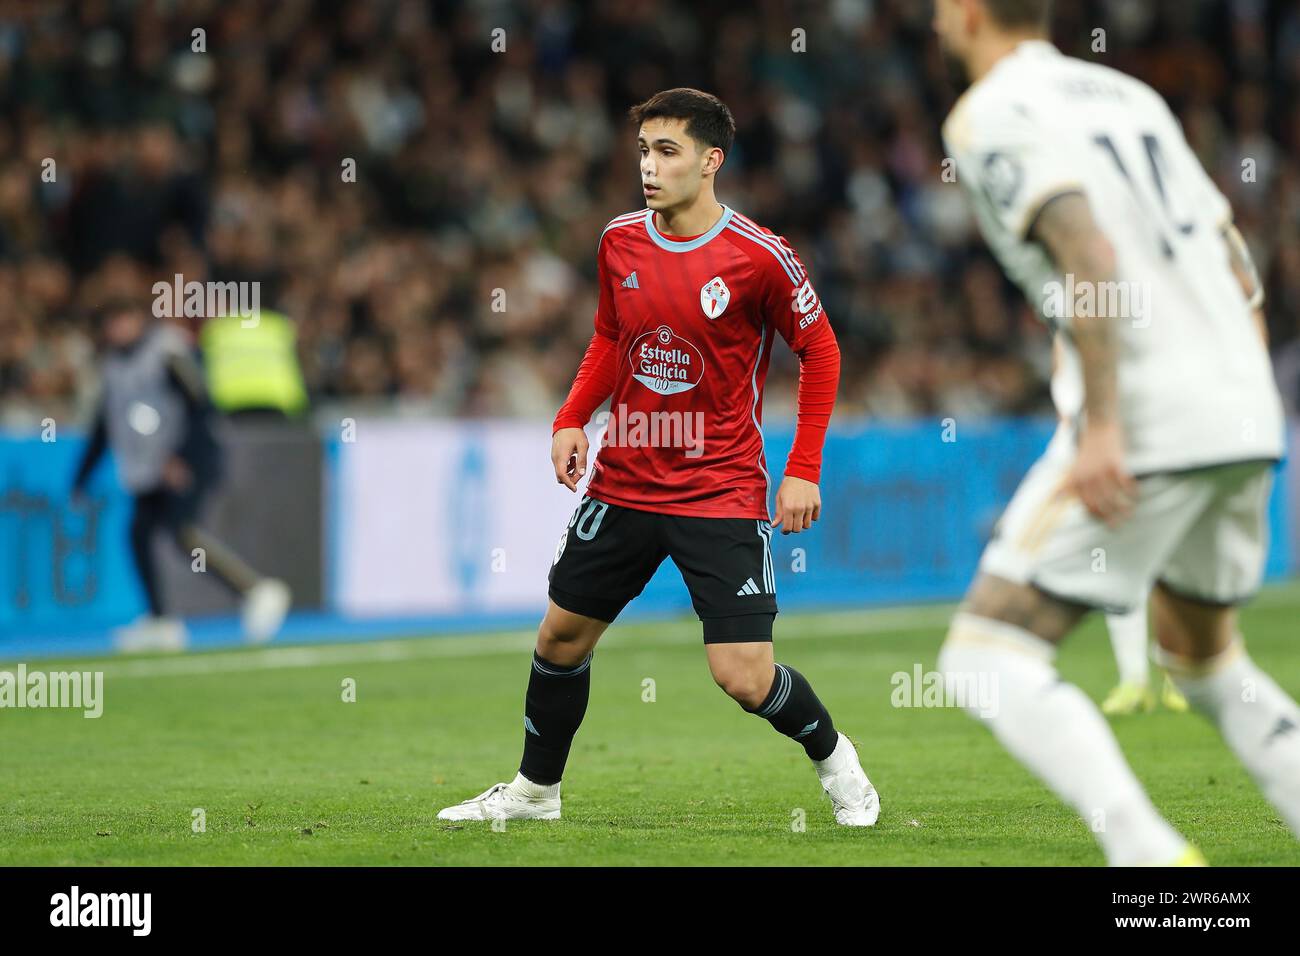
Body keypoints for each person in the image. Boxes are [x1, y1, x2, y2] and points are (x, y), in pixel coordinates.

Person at [439, 88, 878, 825]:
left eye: (666, 151)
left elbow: (822, 352)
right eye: (643, 150)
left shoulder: (760, 257)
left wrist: (804, 466)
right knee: (560, 637)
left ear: (711, 162)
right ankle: (535, 792)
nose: (648, 165)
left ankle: (838, 761)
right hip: (626, 479)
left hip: (719, 489)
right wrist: (574, 416)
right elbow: (612, 338)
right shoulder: (620, 241)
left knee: (742, 676)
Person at [932, 0, 1299, 864]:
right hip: (1244, 406)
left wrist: (1104, 425)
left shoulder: (988, 111)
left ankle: (1153, 864)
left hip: (1149, 410)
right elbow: (1233, 255)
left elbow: (1087, 254)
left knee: (987, 656)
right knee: (1206, 665)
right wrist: (1238, 397)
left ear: (970, 12)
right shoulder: (1129, 95)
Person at [72, 298, 292, 650]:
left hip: (188, 460)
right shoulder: (113, 368)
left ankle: (255, 590)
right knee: (139, 534)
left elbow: (200, 406)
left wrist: (181, 458)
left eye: (122, 319)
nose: (117, 330)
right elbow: (104, 427)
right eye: (110, 323)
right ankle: (160, 620)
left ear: (137, 318)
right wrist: (81, 479)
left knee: (181, 532)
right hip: (150, 468)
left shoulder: (167, 353)